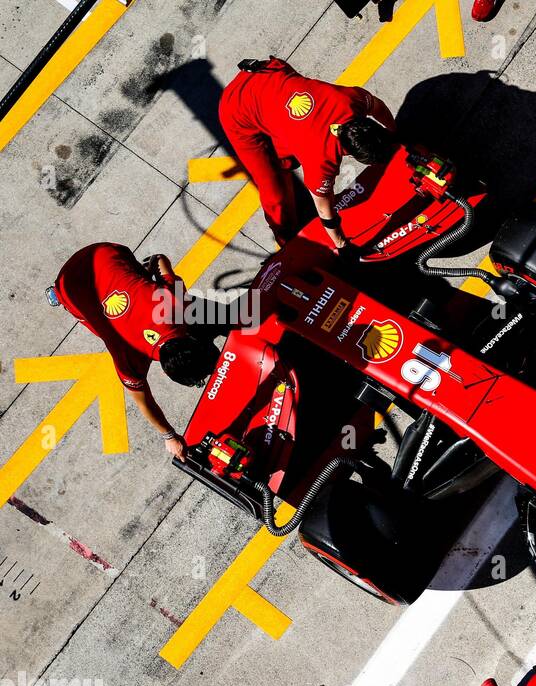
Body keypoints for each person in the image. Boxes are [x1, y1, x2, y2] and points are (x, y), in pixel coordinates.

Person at [48, 243, 222, 458]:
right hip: (71, 285)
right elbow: (143, 402)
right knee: (93, 318)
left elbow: (160, 259)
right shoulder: (127, 356)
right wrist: (168, 436)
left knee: (140, 283)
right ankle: (58, 295)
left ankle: (130, 279)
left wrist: (152, 265)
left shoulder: (176, 304)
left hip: (106, 253)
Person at [219, 57, 395, 248]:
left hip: (270, 72)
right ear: (350, 154)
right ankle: (287, 240)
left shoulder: (351, 100)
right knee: (274, 190)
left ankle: (283, 158)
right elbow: (324, 209)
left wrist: (397, 133)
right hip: (236, 108)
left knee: (286, 151)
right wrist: (341, 243)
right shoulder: (321, 157)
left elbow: (378, 107)